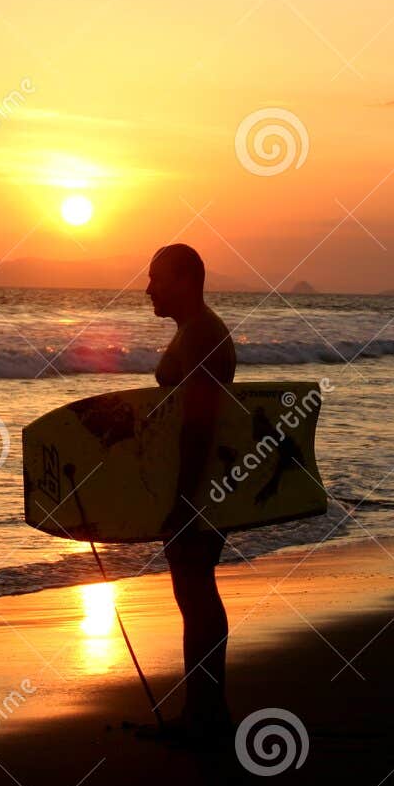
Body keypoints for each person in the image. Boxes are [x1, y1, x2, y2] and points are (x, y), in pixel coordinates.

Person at [145, 243, 237, 740]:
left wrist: (182, 500)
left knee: (197, 593)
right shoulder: (195, 330)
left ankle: (205, 716)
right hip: (202, 486)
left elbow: (199, 426)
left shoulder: (201, 334)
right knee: (196, 592)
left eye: (157, 278)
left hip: (199, 488)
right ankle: (206, 710)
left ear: (184, 279)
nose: (148, 289)